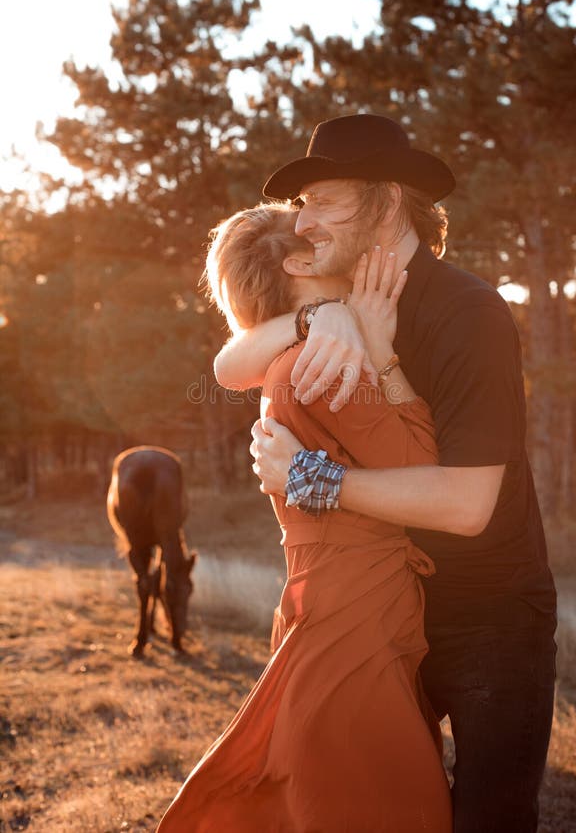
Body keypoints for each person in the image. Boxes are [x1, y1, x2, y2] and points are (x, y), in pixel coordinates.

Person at [217, 114, 558, 833]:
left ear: (390, 200)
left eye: (324, 199)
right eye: (301, 203)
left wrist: (309, 478)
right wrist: (317, 323)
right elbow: (227, 364)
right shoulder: (334, 300)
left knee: (487, 818)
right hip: (390, 608)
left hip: (489, 619)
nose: (303, 220)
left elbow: (467, 507)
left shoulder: (470, 313)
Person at [156, 202, 452, 832]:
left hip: (327, 600)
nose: (335, 240)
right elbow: (424, 463)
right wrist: (385, 357)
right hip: (354, 618)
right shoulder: (323, 363)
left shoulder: (286, 360)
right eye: (316, 236)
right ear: (298, 262)